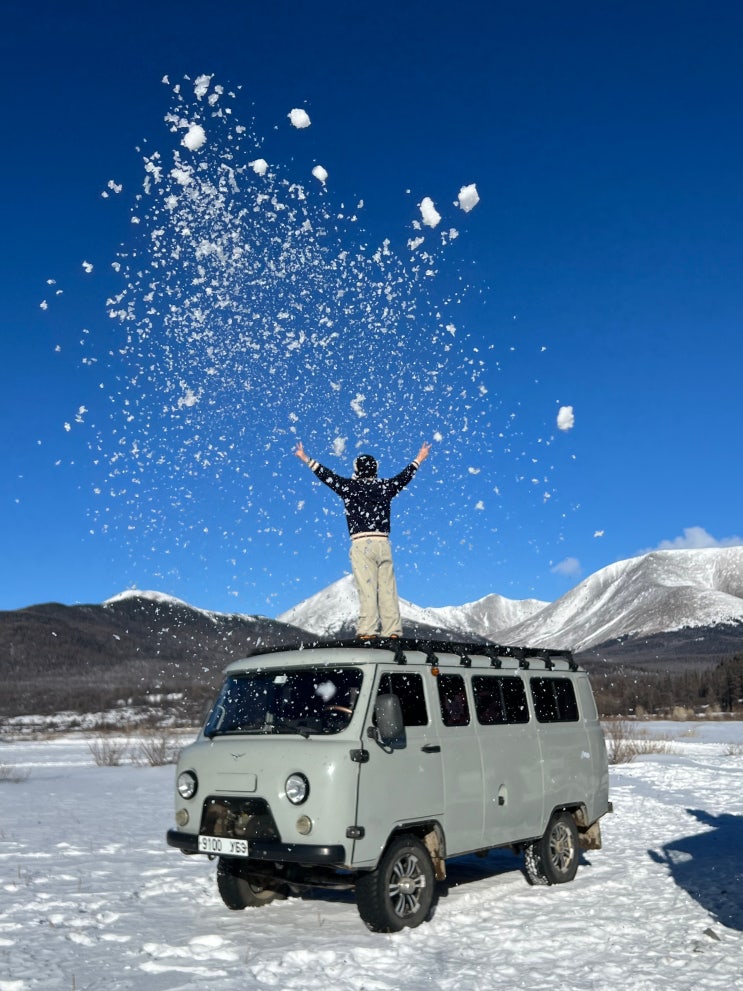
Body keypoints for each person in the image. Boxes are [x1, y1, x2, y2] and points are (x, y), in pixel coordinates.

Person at [294, 440, 431, 638]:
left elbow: (328, 477)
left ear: (357, 470)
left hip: (361, 543)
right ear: (375, 469)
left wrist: (306, 459)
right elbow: (403, 478)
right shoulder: (385, 487)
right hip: (383, 543)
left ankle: (368, 630)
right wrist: (419, 458)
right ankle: (392, 630)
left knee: (367, 588)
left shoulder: (349, 487)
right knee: (387, 589)